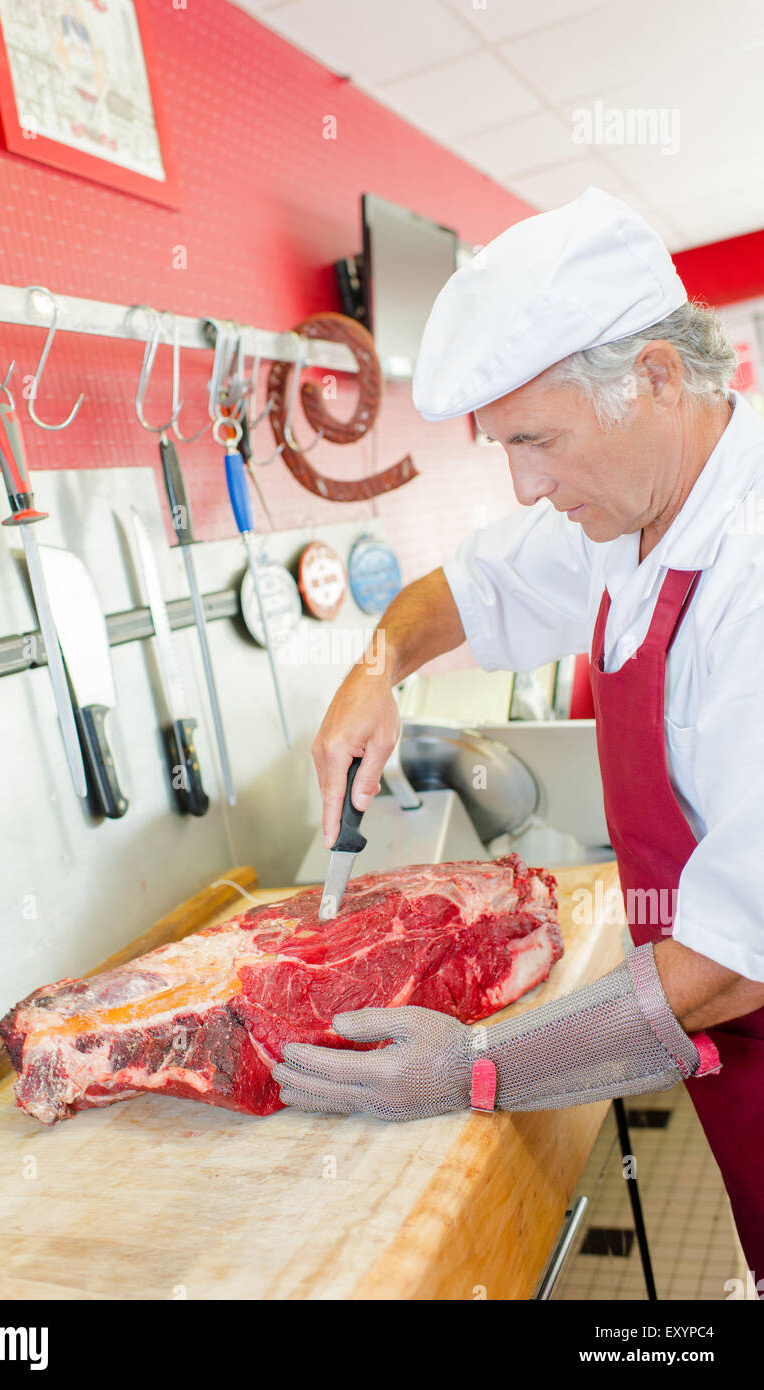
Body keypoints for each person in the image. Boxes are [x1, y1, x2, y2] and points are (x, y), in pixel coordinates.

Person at [271, 186, 764, 1278]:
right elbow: (467, 587)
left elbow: (736, 961)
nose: (525, 485)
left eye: (536, 440)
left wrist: (474, 1065)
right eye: (502, 445)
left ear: (656, 379)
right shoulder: (631, 507)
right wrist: (374, 666)